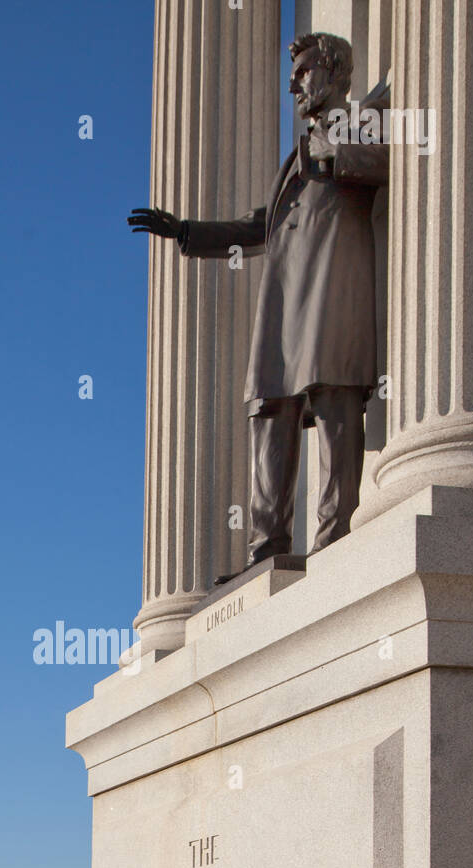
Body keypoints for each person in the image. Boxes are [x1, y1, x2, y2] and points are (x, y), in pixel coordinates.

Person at [129, 32, 389, 575]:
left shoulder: (363, 120)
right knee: (268, 405)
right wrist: (187, 231)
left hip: (333, 287)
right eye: (292, 73)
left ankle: (334, 536)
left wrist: (332, 147)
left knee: (335, 393)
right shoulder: (293, 159)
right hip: (282, 300)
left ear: (336, 70)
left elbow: (388, 159)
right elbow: (257, 226)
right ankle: (266, 549)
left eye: (304, 69)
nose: (294, 81)